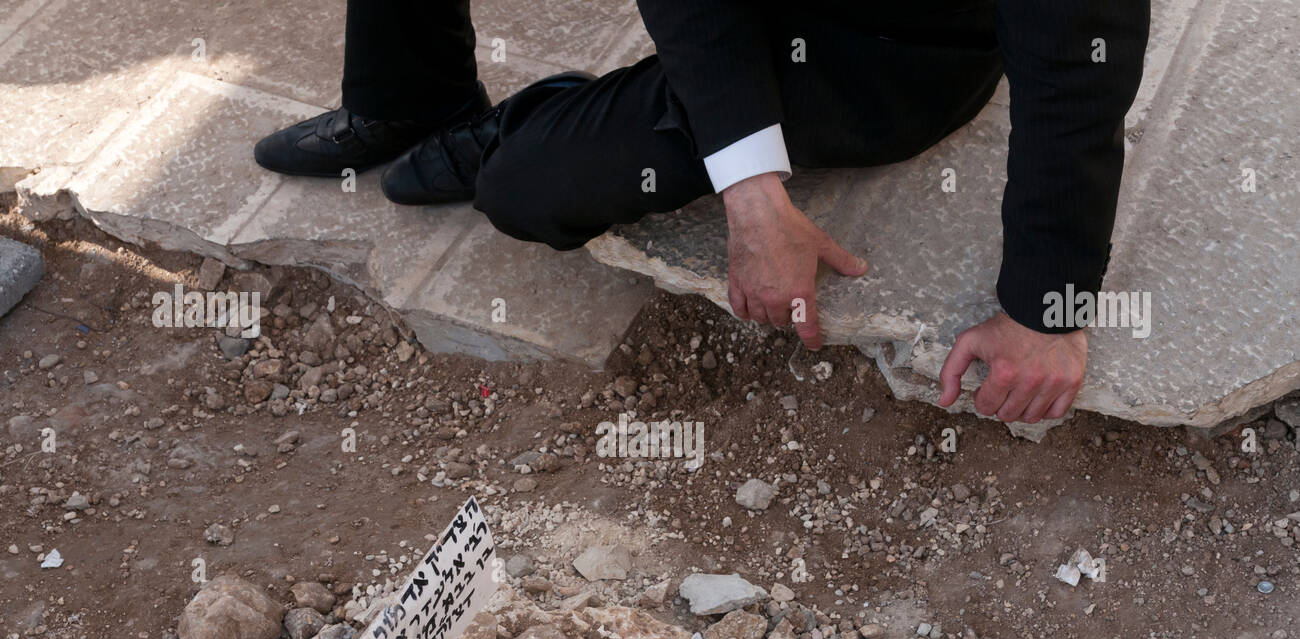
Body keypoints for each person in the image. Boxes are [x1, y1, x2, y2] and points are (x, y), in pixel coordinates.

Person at [256, 1, 1150, 426]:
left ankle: (537, 121)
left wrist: (1048, 305)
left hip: (873, 45)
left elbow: (1080, 60)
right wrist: (753, 198)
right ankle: (410, 95)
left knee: (526, 186)